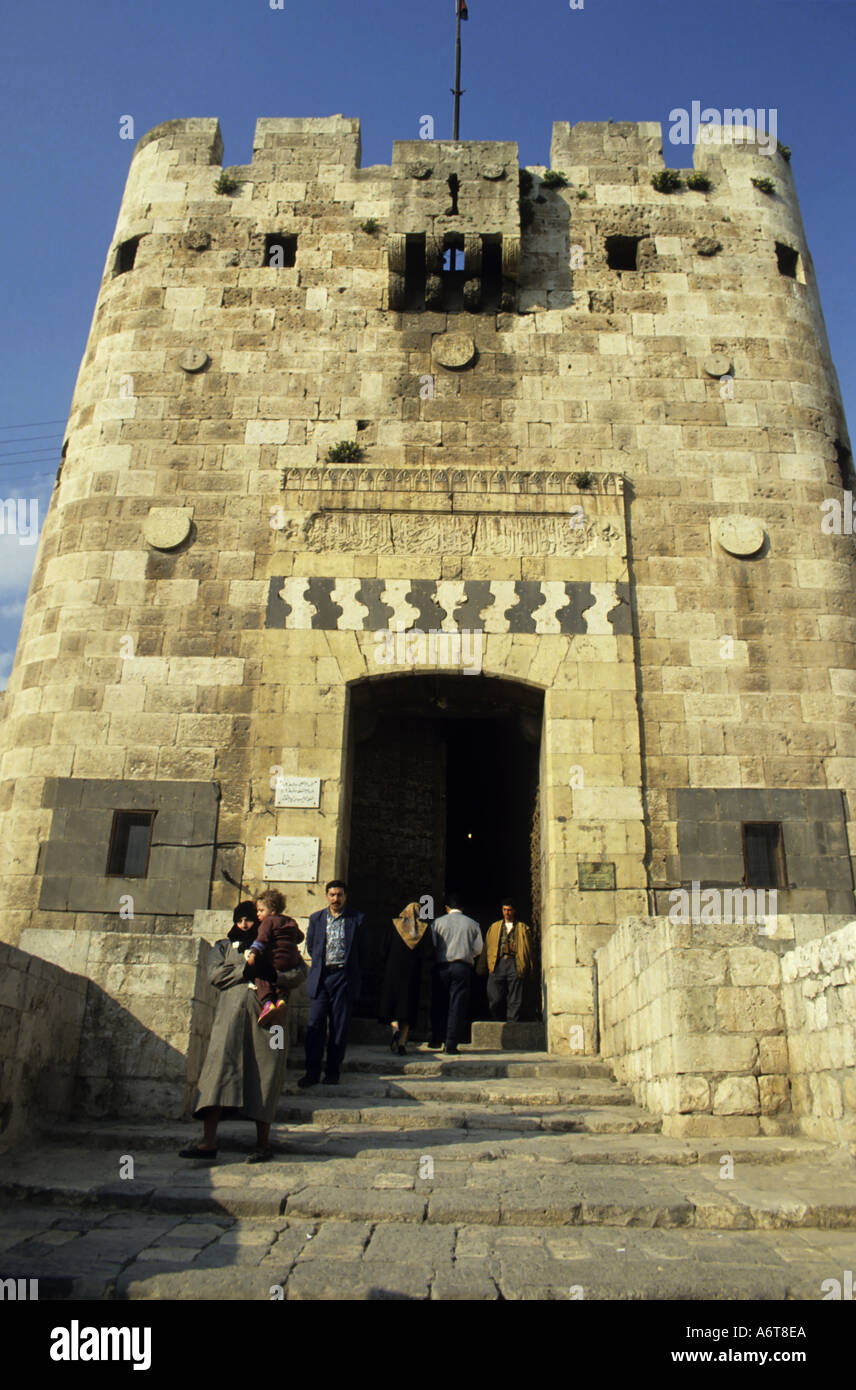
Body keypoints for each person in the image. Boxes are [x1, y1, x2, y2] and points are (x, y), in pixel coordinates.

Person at [179, 900, 292, 1164]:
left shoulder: (273, 947)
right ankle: (208, 1142)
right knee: (218, 1074)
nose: (244, 924)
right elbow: (216, 975)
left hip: (266, 1024)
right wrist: (247, 970)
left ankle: (262, 1143)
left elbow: (297, 972)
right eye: (240, 919)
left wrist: (271, 974)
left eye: (250, 919)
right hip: (229, 1021)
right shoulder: (223, 947)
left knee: (265, 1076)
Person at [299, 880, 364, 1088]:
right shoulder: (317, 918)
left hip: (343, 978)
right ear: (326, 896)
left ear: (345, 897)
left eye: (340, 895)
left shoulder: (357, 919)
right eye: (332, 895)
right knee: (315, 1024)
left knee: (339, 1026)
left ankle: (333, 1071)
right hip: (321, 977)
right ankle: (311, 1072)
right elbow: (311, 946)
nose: (336, 899)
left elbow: (363, 950)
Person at [429, 893, 483, 1055]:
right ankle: (451, 1043)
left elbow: (432, 945)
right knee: (457, 1005)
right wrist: (465, 954)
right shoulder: (473, 924)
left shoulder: (437, 923)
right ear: (463, 908)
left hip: (442, 966)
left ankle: (436, 1038)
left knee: (439, 1002)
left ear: (447, 907)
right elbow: (478, 949)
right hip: (462, 967)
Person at [244, 889, 305, 1028]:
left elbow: (261, 940)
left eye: (261, 910)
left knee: (260, 974)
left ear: (272, 911)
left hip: (276, 959)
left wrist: (253, 954)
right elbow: (300, 937)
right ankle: (282, 1001)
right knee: (281, 980)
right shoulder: (290, 921)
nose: (258, 914)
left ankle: (267, 1004)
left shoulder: (268, 922)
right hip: (291, 960)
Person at [378, 900, 434, 1054]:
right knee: (408, 1008)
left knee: (392, 1004)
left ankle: (394, 1028)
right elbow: (428, 954)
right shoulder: (423, 930)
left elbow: (383, 950)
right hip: (412, 975)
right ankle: (402, 1043)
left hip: (392, 972)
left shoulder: (393, 925)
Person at [477, 899, 533, 1023]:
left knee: (515, 997)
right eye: (504, 910)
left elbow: (528, 950)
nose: (507, 913)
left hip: (515, 962)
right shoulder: (494, 927)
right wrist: (481, 967)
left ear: (514, 910)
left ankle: (512, 1022)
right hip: (498, 962)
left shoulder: (523, 928)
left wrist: (530, 969)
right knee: (494, 997)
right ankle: (498, 1019)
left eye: (509, 910)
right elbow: (487, 947)